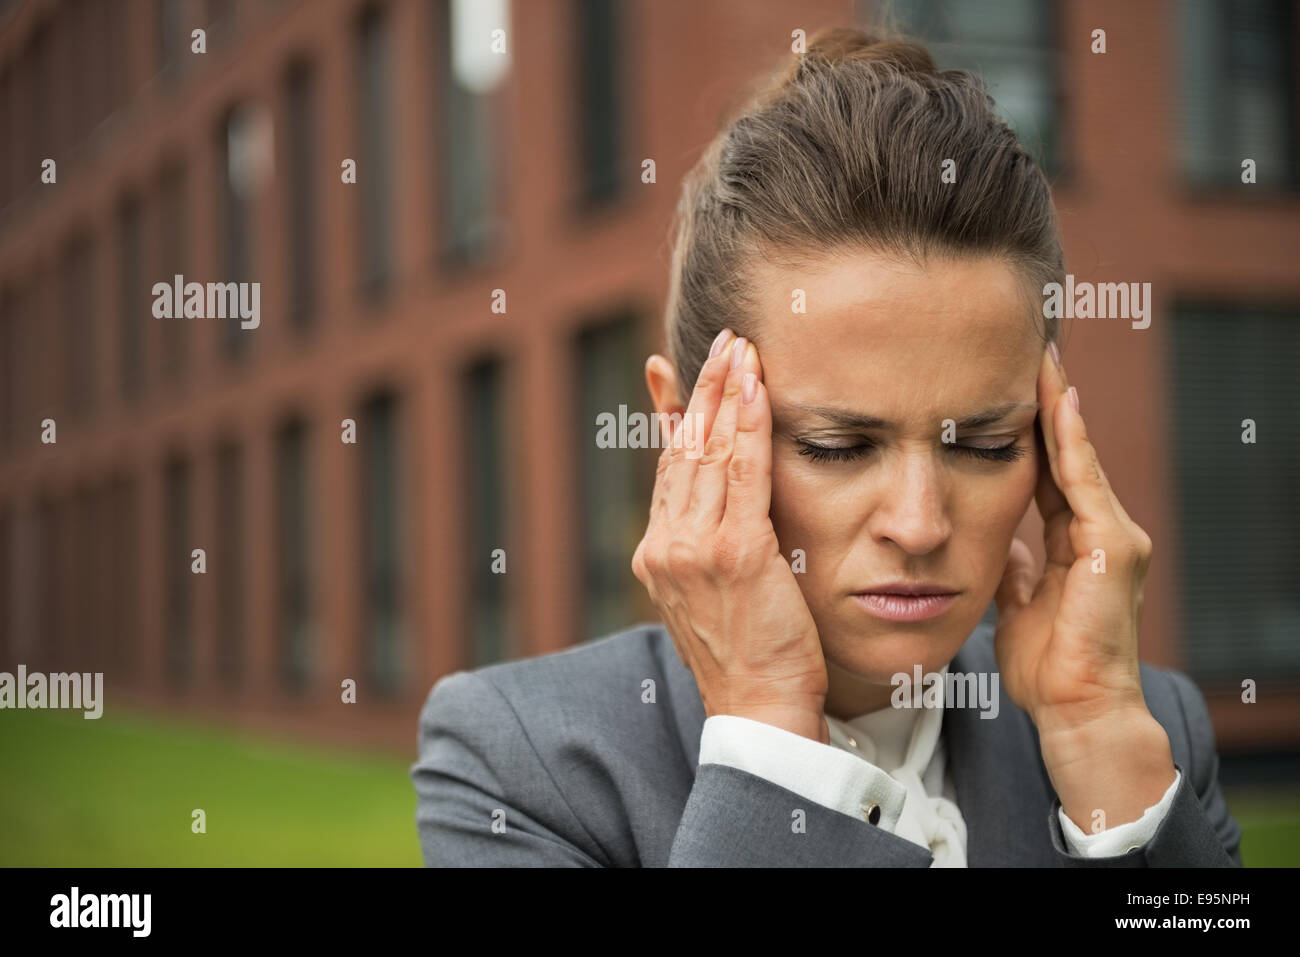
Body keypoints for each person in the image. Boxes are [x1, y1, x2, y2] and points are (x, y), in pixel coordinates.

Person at [410, 25, 1242, 867]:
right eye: (837, 445)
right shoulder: (519, 766)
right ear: (684, 428)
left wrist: (1101, 745)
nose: (919, 526)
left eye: (986, 444)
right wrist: (769, 737)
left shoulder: (1149, 730)